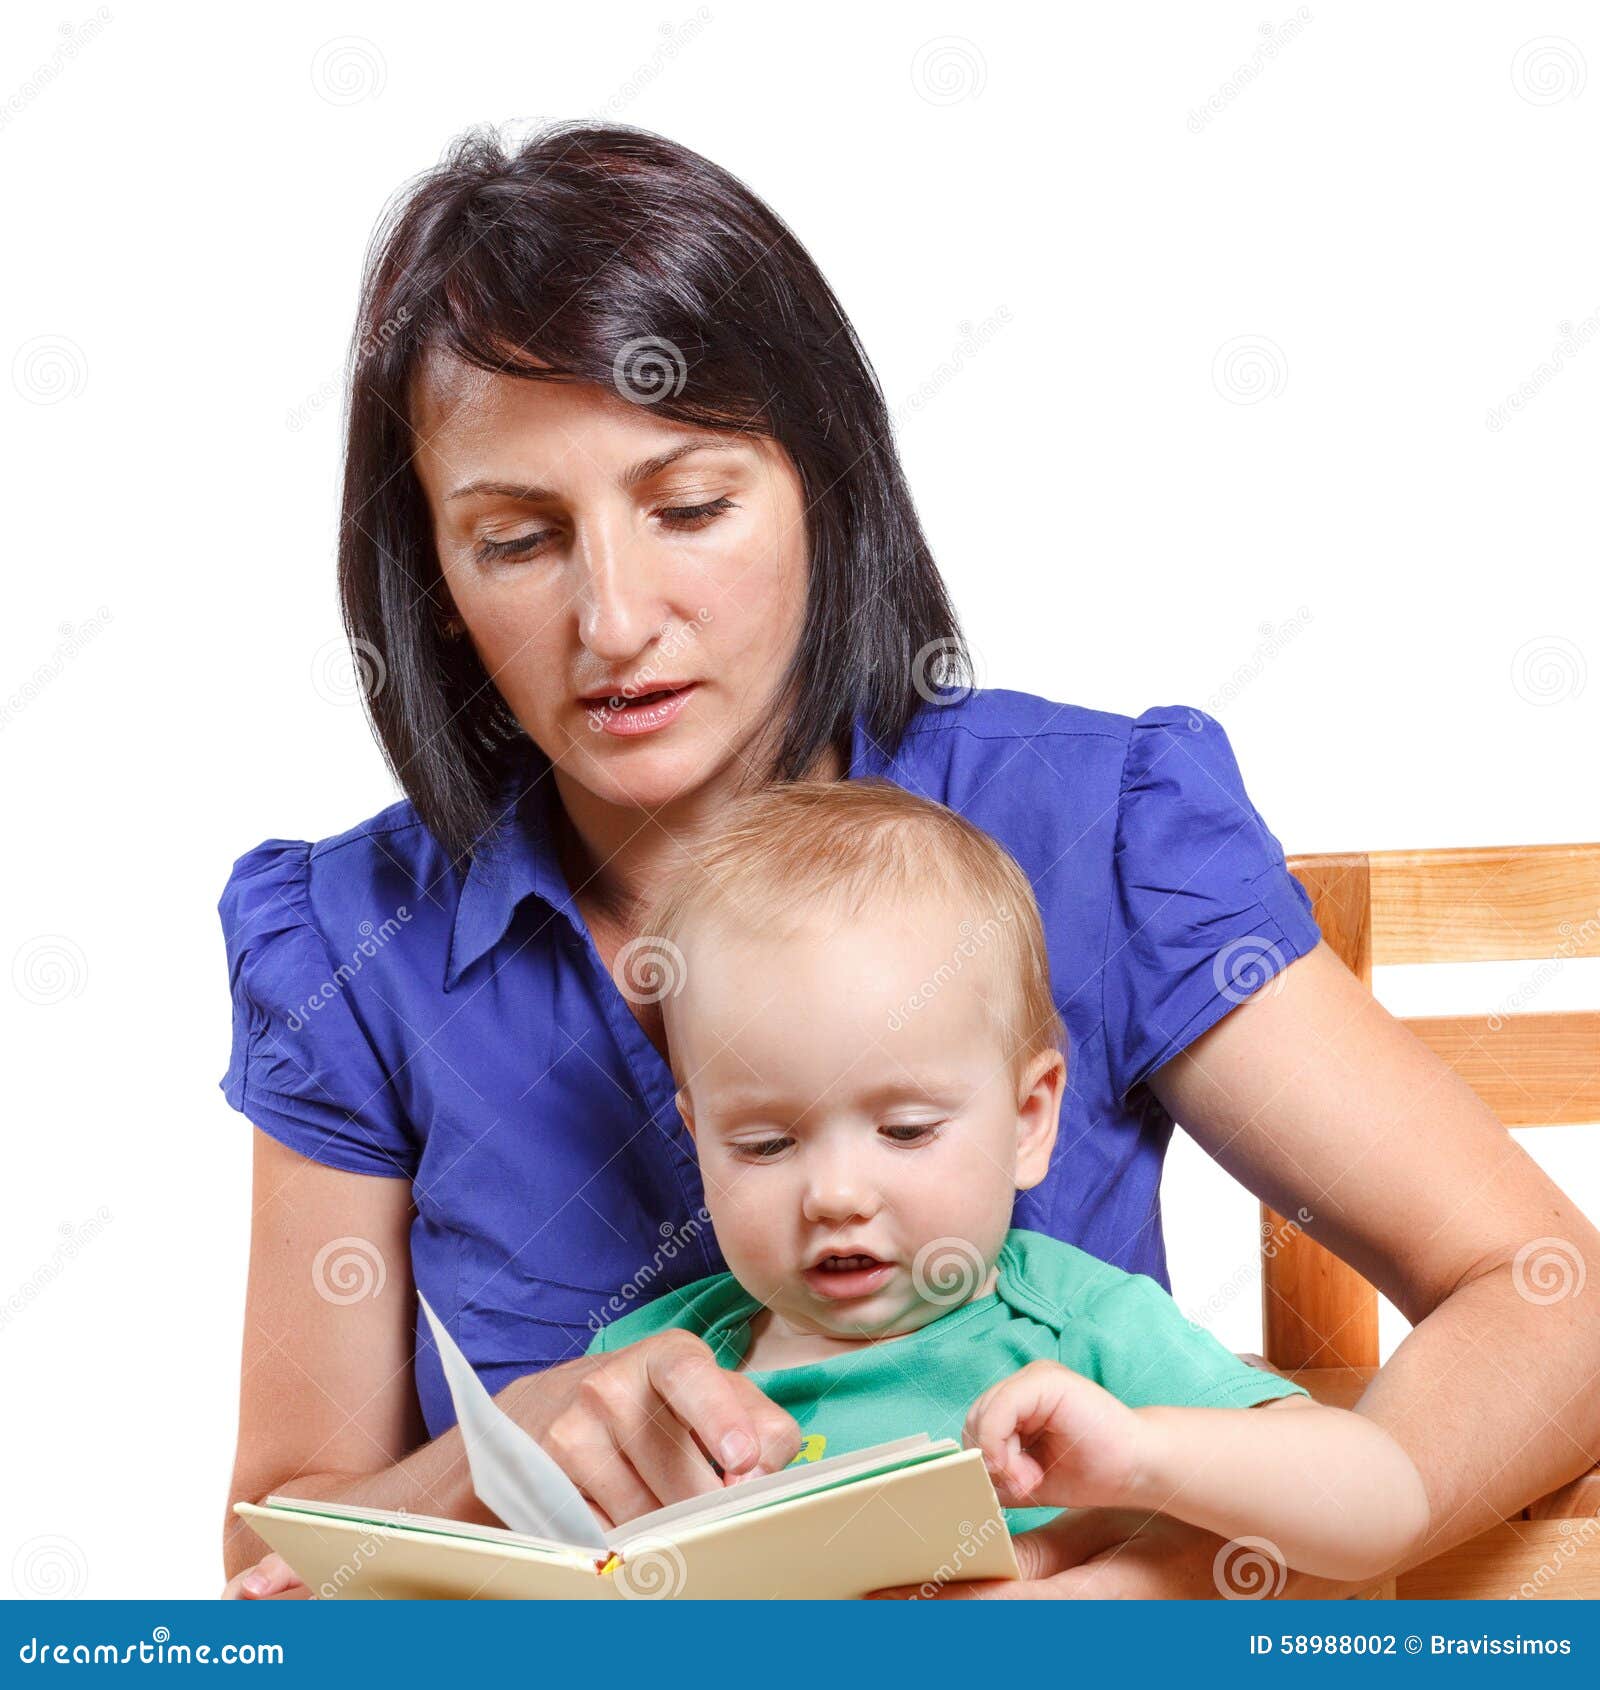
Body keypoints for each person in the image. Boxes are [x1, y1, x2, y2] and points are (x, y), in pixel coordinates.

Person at [220, 120, 1600, 1600]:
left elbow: (1547, 1302)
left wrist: (1181, 1575)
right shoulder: (358, 943)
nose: (614, 621)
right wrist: (530, 1429)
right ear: (429, 578)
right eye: (516, 540)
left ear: (825, 483)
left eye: (689, 508)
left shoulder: (1092, 826)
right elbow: (272, 1555)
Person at [579, 777, 1430, 1590]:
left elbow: (1382, 1507)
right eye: (764, 1145)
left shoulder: (1077, 1333)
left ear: (1028, 1120)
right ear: (699, 1141)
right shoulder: (654, 1371)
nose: (834, 1196)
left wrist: (1145, 1454)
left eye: (906, 1131)